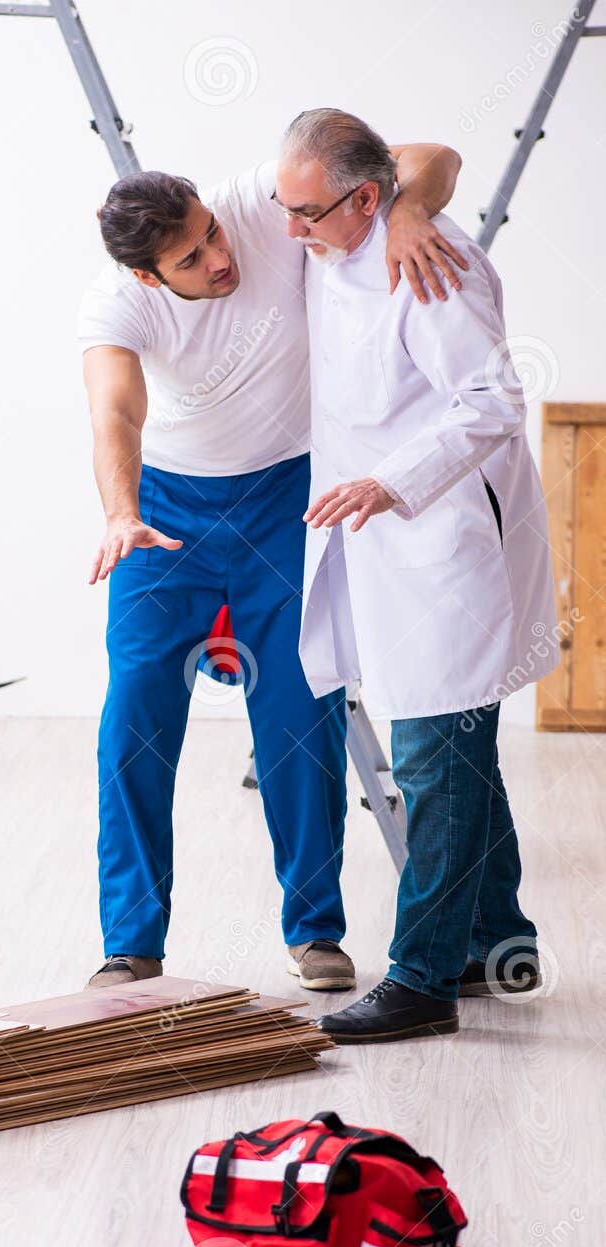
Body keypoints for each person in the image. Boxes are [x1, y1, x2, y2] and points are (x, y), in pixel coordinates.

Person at [77, 142, 467, 994]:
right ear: (150, 278)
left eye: (211, 234)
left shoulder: (256, 202)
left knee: (302, 710)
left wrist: (404, 208)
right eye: (190, 259)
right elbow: (115, 412)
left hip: (285, 499)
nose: (221, 258)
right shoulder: (117, 305)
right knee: (134, 722)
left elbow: (431, 154)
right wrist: (120, 515)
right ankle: (130, 943)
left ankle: (316, 929)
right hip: (163, 518)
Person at [274, 108, 558, 1043]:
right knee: (456, 749)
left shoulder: (428, 268)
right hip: (383, 542)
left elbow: (494, 401)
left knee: (437, 758)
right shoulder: (340, 243)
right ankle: (495, 942)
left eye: (305, 213)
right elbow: (422, 160)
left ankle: (423, 979)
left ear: (364, 199)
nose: (288, 231)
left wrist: (391, 484)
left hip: (442, 547)